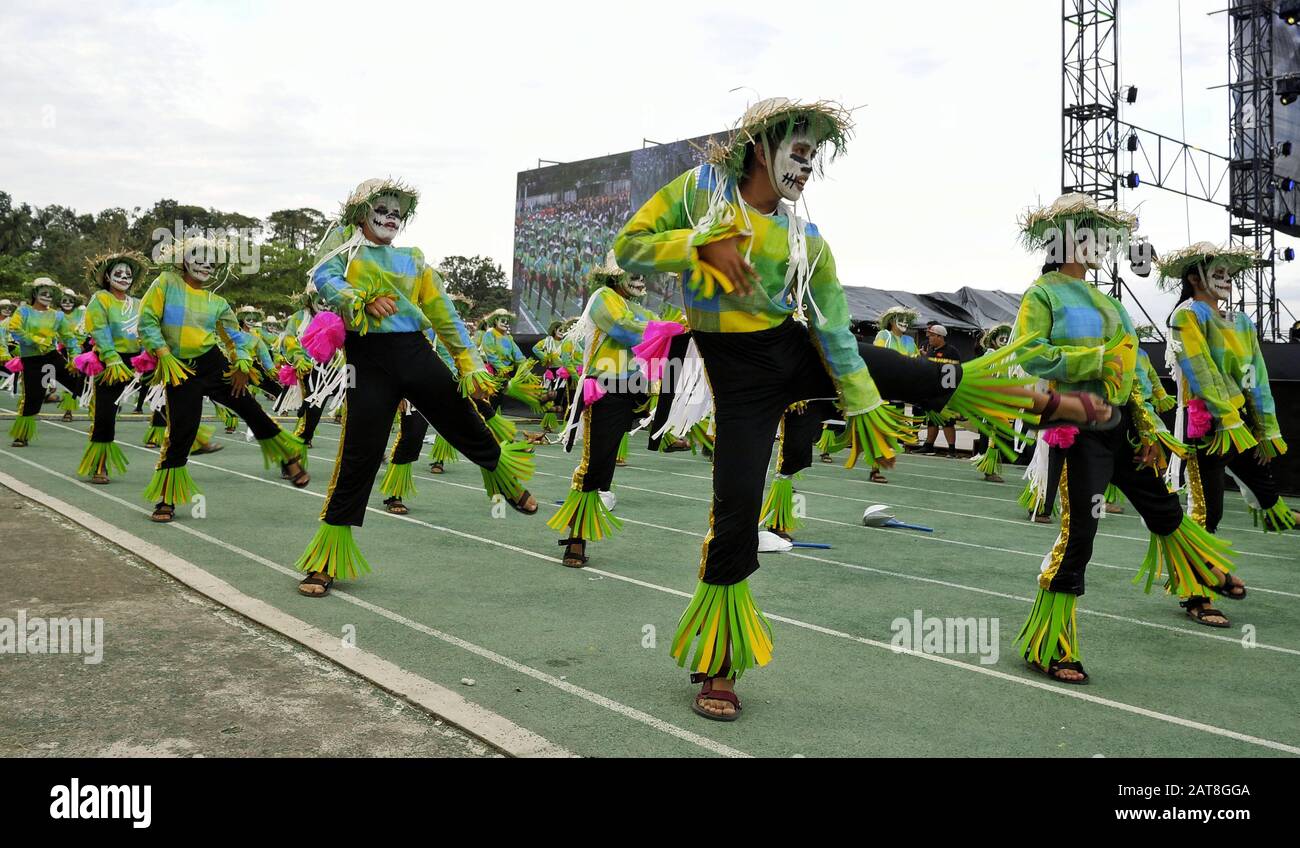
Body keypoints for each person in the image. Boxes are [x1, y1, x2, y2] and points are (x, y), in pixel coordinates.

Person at [616, 98, 1103, 720]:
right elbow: (628, 249)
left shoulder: (807, 239)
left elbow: (835, 330)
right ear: (760, 146)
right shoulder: (701, 192)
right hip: (738, 382)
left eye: (815, 155)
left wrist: (866, 401)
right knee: (734, 511)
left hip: (793, 351)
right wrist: (699, 246)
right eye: (799, 150)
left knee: (917, 373)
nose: (808, 165)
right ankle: (719, 661)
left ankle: (1033, 397)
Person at [1012, 195, 1244, 686]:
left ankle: (1202, 572)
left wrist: (1147, 430)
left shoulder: (1111, 301)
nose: (1102, 245)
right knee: (1080, 536)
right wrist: (1094, 361)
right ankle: (1049, 644)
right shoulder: (1042, 295)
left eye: (1104, 235)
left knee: (1164, 508)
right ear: (1065, 239)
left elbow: (1133, 373)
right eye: (1091, 234)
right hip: (1081, 431)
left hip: (1122, 429)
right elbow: (1030, 356)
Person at [292, 178, 538, 597]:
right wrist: (360, 298)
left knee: (462, 418)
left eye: (396, 214)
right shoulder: (343, 252)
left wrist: (469, 364)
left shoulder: (413, 261)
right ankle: (326, 560)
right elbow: (323, 279)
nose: (389, 218)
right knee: (359, 454)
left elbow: (445, 317)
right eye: (381, 211)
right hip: (366, 361)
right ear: (360, 215)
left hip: (414, 353)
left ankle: (506, 480)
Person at [136, 235, 310, 523]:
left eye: (211, 261)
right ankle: (166, 499)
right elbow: (147, 320)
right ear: (183, 260)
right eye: (199, 257)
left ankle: (289, 457)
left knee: (252, 409)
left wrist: (242, 365)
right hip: (179, 369)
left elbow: (236, 337)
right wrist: (163, 353)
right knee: (182, 432)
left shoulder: (217, 302)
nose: (205, 264)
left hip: (212, 365)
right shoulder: (166, 283)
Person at [547, 252, 672, 567]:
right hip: (605, 389)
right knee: (594, 465)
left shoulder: (639, 307)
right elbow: (624, 329)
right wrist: (665, 328)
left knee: (606, 469)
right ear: (615, 275)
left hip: (634, 392)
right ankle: (576, 538)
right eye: (634, 273)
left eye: (644, 275)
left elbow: (651, 338)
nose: (640, 280)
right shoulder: (603, 298)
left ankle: (667, 436)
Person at [1162, 242, 1296, 534]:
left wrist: (1265, 430)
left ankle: (1277, 520)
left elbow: (1254, 377)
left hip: (1238, 423)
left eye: (1228, 273)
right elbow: (1202, 372)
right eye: (1217, 272)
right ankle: (1194, 574)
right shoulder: (1186, 316)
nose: (1225, 279)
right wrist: (1228, 420)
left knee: (1269, 497)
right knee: (1208, 513)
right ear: (1194, 279)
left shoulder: (1242, 322)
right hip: (1206, 425)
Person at [76, 251, 151, 483]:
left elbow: (148, 328)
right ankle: (99, 464)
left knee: (171, 399)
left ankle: (196, 440)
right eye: (118, 273)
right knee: (106, 415)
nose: (124, 277)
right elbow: (98, 328)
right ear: (107, 277)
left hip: (138, 361)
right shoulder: (100, 298)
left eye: (128, 274)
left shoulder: (139, 303)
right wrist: (111, 357)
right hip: (111, 362)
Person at [7, 277, 84, 447]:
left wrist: (75, 359)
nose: (47, 296)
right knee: (33, 397)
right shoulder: (23, 311)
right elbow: (15, 330)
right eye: (44, 292)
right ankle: (22, 435)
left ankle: (102, 406)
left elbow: (69, 338)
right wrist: (35, 341)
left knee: (78, 381)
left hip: (51, 357)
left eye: (50, 294)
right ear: (34, 293)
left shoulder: (57, 315)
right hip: (32, 361)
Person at [917, 324, 961, 457]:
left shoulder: (951, 352)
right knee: (932, 419)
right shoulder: (931, 350)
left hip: (946, 392)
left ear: (940, 337)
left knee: (947, 421)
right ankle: (929, 445)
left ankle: (951, 449)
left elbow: (956, 371)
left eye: (931, 336)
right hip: (933, 391)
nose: (929, 338)